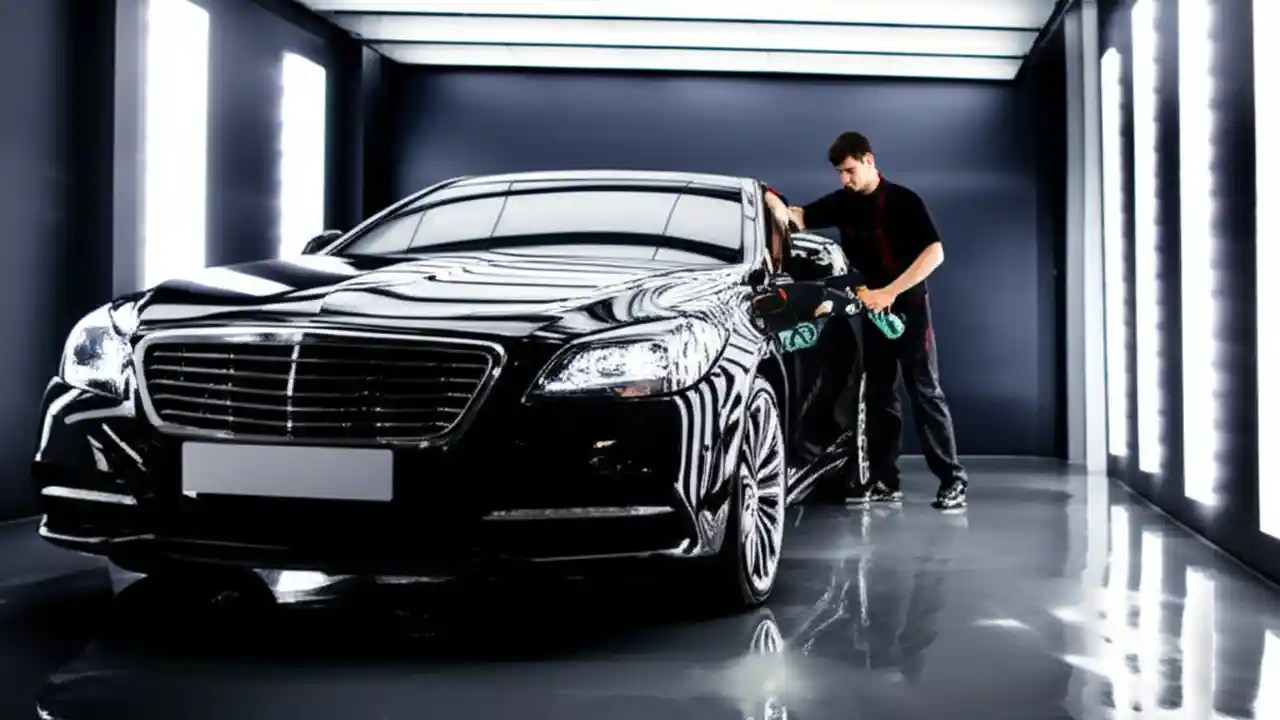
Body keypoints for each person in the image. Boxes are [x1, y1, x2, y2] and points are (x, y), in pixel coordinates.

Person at [764, 131, 969, 510]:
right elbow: (800, 218)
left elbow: (935, 253)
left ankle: (953, 480)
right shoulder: (844, 202)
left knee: (924, 393)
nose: (845, 179)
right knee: (879, 396)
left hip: (907, 308)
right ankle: (886, 482)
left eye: (850, 170)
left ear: (869, 161)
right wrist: (771, 200)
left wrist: (890, 292)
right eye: (840, 173)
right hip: (871, 313)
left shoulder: (904, 201)